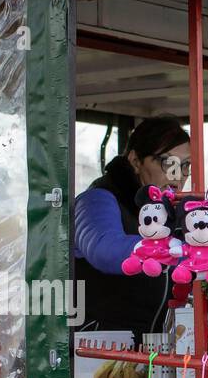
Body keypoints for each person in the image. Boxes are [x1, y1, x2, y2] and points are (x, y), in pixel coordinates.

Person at [73, 115, 192, 336]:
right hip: (92, 350)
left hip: (147, 349)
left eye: (185, 165)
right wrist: (180, 251)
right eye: (168, 162)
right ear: (136, 161)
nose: (178, 175)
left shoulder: (172, 213)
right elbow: (105, 249)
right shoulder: (98, 199)